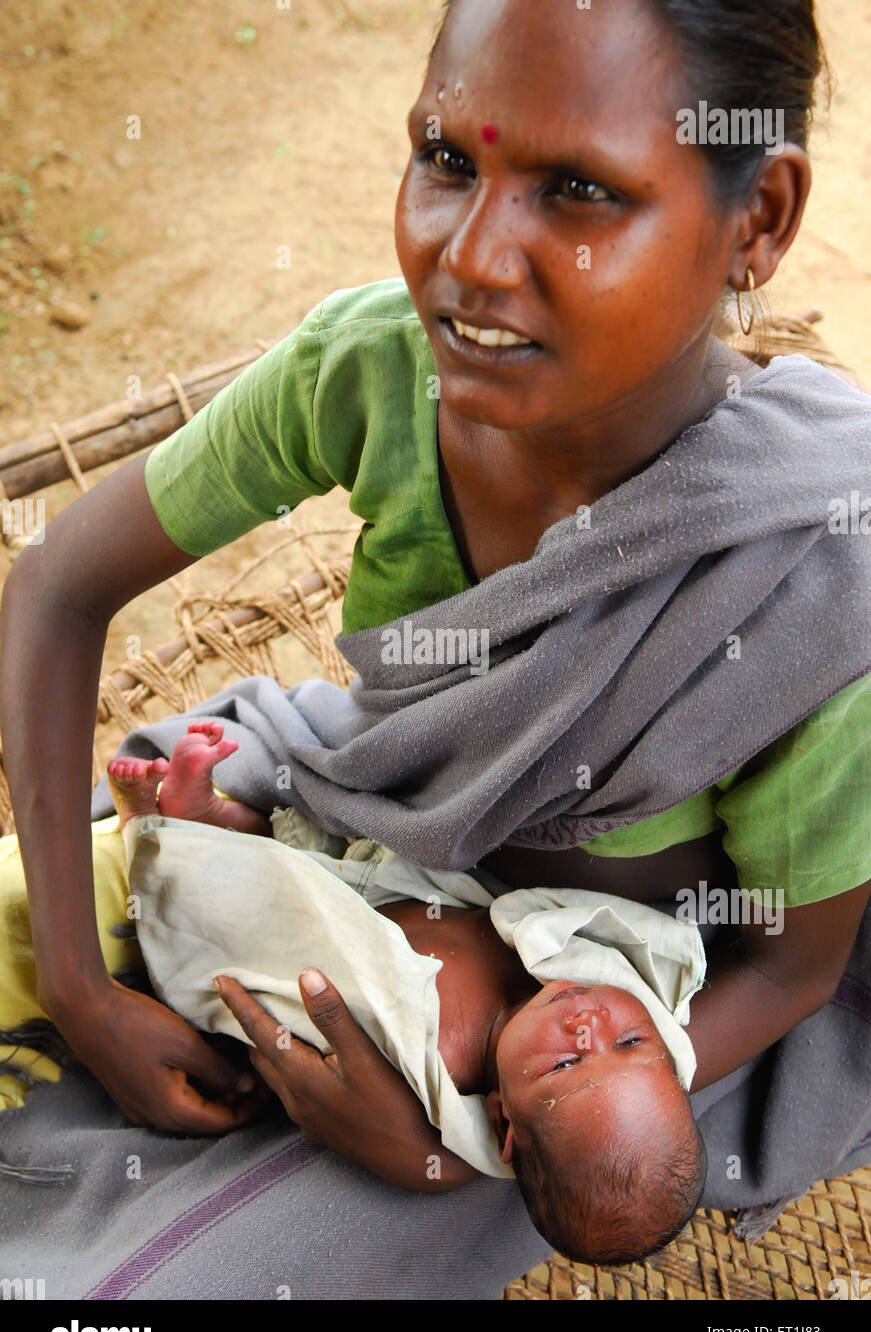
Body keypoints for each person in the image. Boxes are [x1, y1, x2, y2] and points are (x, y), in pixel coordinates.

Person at [0, 0, 868, 1227]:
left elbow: (788, 965)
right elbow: (53, 585)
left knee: (220, 1263)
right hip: (354, 844)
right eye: (448, 160)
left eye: (576, 189)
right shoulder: (368, 370)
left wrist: (465, 1147)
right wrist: (85, 996)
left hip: (618, 1026)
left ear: (759, 219)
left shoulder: (815, 567)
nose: (468, 256)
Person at [106, 721, 708, 1266]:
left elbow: (313, 993)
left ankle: (153, 830)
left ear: (501, 1118)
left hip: (318, 919)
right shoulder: (571, 972)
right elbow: (662, 961)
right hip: (374, 865)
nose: (588, 1026)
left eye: (567, 1062)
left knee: (235, 900)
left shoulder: (437, 1062)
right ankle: (211, 819)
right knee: (291, 837)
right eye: (630, 1039)